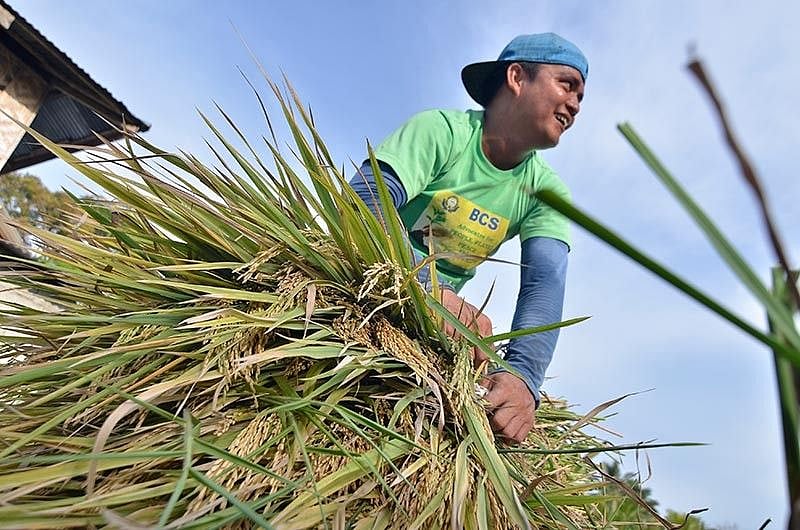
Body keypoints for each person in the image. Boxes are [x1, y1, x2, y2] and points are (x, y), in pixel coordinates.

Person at [349, 33, 587, 443]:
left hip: (437, 327)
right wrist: (424, 289)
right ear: (517, 76)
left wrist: (523, 377)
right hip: (365, 281)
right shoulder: (442, 132)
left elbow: (543, 284)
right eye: (567, 84)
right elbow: (363, 203)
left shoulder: (545, 192)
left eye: (581, 96)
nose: (576, 105)